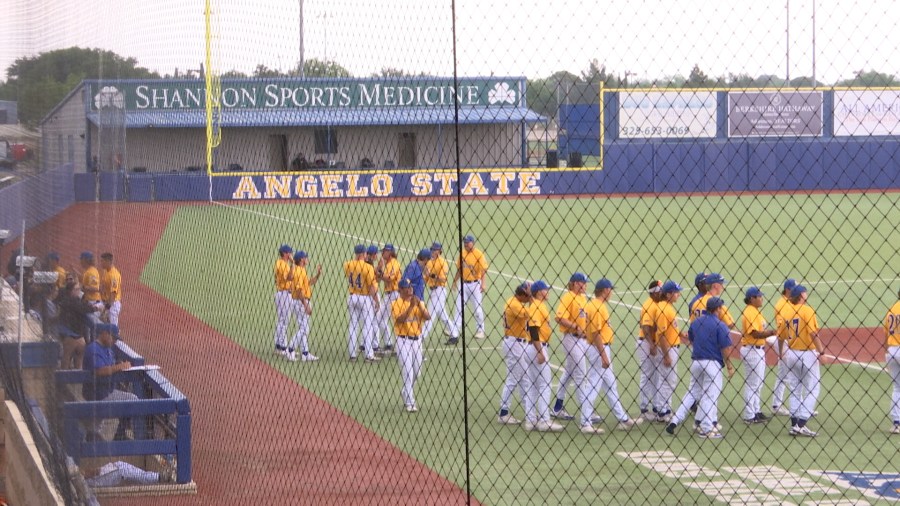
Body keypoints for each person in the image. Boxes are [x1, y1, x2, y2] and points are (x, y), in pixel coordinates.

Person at [665, 297, 736, 438]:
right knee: (710, 395)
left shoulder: (696, 322)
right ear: (717, 309)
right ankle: (706, 428)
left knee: (692, 393)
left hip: (696, 362)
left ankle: (676, 421)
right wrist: (729, 366)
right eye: (720, 308)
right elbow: (726, 348)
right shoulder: (720, 325)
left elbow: (690, 338)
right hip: (712, 364)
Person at [584, 278, 639, 431]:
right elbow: (595, 333)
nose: (612, 293)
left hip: (598, 347)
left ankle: (622, 418)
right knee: (594, 385)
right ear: (605, 290)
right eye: (611, 290)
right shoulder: (597, 307)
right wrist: (603, 356)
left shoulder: (596, 305)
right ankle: (585, 422)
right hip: (598, 348)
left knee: (610, 385)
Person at [551, 272, 596, 433]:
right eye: (584, 283)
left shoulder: (583, 298)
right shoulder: (568, 297)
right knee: (580, 376)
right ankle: (586, 414)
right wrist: (576, 327)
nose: (586, 286)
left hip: (582, 341)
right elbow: (559, 317)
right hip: (571, 339)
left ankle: (557, 407)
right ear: (576, 283)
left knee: (569, 373)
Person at [779, 285, 825, 437]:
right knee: (813, 388)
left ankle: (794, 425)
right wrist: (821, 352)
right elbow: (813, 333)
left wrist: (781, 352)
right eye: (805, 292)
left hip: (791, 354)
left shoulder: (786, 312)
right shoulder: (807, 310)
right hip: (807, 355)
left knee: (794, 389)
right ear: (801, 296)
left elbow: (781, 336)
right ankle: (801, 424)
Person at [82, 323, 138, 440]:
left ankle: (115, 434)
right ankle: (119, 435)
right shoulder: (93, 349)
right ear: (104, 334)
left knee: (94, 427)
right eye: (113, 337)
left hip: (105, 391)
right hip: (99, 394)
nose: (114, 341)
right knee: (133, 400)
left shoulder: (107, 349)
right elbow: (99, 371)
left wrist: (120, 365)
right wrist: (119, 367)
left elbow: (110, 366)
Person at [523, 280, 564, 432]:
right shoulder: (537, 306)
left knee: (533, 386)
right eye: (547, 290)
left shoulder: (537, 305)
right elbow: (534, 329)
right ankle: (544, 421)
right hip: (537, 347)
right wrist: (540, 352)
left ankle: (531, 420)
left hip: (531, 347)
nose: (548, 292)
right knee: (545, 385)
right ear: (540, 292)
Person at [392, 278, 430, 412]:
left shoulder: (418, 301)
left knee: (417, 372)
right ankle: (409, 401)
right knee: (408, 372)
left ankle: (405, 390)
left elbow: (428, 317)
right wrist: (411, 307)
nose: (410, 290)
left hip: (417, 341)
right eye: (407, 288)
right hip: (402, 341)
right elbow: (400, 320)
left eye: (410, 287)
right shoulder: (396, 303)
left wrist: (418, 305)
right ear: (400, 290)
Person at [497, 283, 533, 425]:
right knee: (513, 379)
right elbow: (530, 313)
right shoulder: (514, 304)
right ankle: (503, 413)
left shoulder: (514, 301)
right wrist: (533, 299)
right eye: (527, 295)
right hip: (514, 344)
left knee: (524, 378)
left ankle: (528, 410)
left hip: (517, 343)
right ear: (522, 295)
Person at [740, 286, 777, 424]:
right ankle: (749, 415)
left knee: (758, 383)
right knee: (752, 384)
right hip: (752, 350)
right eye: (759, 296)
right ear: (751, 298)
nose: (762, 298)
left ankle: (756, 411)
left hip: (756, 350)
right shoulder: (750, 312)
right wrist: (772, 332)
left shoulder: (755, 311)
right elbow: (754, 333)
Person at [654, 280, 686, 422]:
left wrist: (679, 334)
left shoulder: (667, 307)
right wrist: (666, 355)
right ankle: (662, 412)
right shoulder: (663, 309)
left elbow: (667, 330)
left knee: (666, 380)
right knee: (668, 381)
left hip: (670, 347)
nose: (678, 295)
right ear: (668, 294)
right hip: (667, 349)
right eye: (676, 292)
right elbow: (660, 334)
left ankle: (664, 409)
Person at [447, 235, 488, 344]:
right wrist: (455, 281)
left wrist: (483, 283)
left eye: (467, 243)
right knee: (458, 309)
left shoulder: (479, 254)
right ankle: (455, 332)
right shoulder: (462, 254)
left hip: (475, 284)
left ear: (473, 243)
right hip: (463, 284)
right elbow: (460, 270)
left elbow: (483, 270)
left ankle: (480, 330)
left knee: (477, 309)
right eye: (464, 243)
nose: (465, 244)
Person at [345, 244, 380, 362]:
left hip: (352, 297)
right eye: (365, 253)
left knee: (353, 325)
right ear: (363, 254)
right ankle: (369, 355)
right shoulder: (368, 267)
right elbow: (371, 287)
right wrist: (376, 301)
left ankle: (352, 354)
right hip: (364, 298)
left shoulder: (347, 264)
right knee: (367, 326)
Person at [636, 280, 663, 423]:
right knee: (647, 375)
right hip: (646, 343)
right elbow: (646, 327)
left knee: (656, 376)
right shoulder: (649, 305)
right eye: (661, 290)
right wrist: (652, 345)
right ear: (655, 292)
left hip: (650, 343)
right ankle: (644, 409)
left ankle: (656, 407)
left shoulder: (656, 304)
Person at [287, 250, 321, 362]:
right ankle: (290, 349)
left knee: (304, 328)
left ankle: (305, 353)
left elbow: (309, 283)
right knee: (304, 328)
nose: (307, 259)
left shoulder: (301, 270)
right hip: (300, 302)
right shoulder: (299, 271)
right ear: (301, 259)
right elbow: (299, 290)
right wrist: (306, 305)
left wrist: (318, 275)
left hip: (299, 301)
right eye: (306, 257)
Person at [771, 278, 797, 416]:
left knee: (787, 374)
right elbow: (782, 326)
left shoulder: (790, 302)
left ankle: (778, 404)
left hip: (790, 341)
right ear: (788, 290)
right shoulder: (782, 304)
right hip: (784, 341)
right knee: (787, 374)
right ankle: (777, 405)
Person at [56, 275, 93, 369]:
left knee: (77, 357)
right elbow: (84, 308)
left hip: (75, 334)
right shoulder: (71, 301)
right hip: (70, 334)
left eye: (79, 289)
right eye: (76, 289)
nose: (79, 291)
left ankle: (74, 379)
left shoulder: (71, 299)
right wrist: (96, 308)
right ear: (71, 291)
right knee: (67, 357)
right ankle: (64, 381)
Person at [374, 244, 401, 356]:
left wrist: (380, 273)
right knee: (380, 318)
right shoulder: (386, 264)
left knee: (396, 321)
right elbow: (377, 278)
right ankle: (389, 344)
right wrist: (379, 269)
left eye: (384, 251)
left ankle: (397, 346)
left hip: (395, 295)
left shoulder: (394, 263)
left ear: (390, 252)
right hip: (388, 295)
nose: (382, 253)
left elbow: (390, 278)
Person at [421, 242, 451, 341]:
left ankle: (421, 337)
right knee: (443, 315)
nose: (433, 251)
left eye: (435, 250)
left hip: (440, 291)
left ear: (439, 251)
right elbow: (425, 278)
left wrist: (431, 275)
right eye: (432, 249)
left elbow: (443, 279)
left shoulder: (443, 263)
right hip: (432, 291)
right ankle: (454, 333)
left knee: (430, 315)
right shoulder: (429, 262)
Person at [272, 244, 294, 356]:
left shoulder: (281, 263)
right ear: (285, 254)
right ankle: (283, 347)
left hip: (282, 294)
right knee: (284, 321)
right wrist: (293, 264)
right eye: (290, 252)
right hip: (284, 295)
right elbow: (289, 278)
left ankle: (278, 346)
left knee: (281, 320)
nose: (291, 254)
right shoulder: (282, 264)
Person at [884, 289, 900, 434]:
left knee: (897, 387)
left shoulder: (891, 310)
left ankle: (896, 423)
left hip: (892, 351)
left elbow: (885, 334)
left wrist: (886, 351)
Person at [99, 253, 122, 326]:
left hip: (113, 304)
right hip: (106, 302)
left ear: (108, 261)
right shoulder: (106, 271)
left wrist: (107, 308)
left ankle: (116, 338)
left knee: (112, 327)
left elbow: (113, 293)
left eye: (102, 261)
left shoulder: (114, 275)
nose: (101, 263)